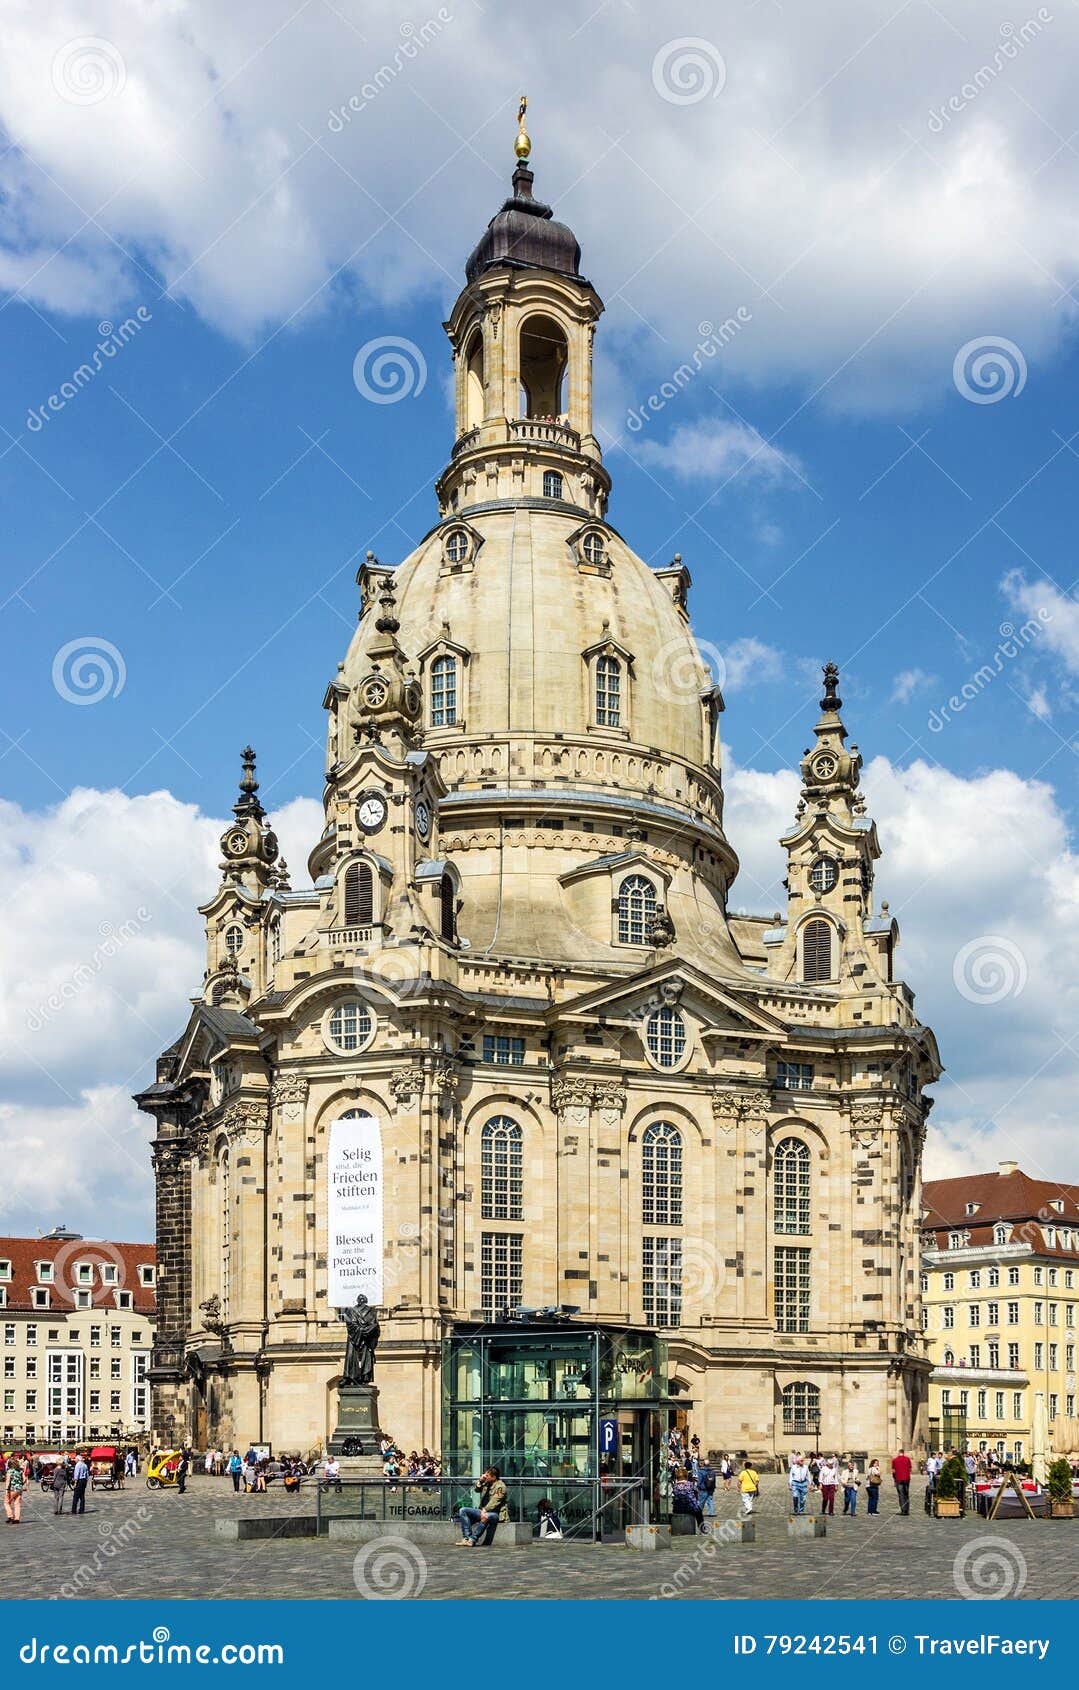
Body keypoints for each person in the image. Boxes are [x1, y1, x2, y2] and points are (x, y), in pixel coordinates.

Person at [456, 1466, 508, 1546]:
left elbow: (495, 1501)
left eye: (487, 1475)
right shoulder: (486, 1483)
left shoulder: (500, 1486)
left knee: (486, 1516)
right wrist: (480, 1481)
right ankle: (466, 1538)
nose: (485, 1476)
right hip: (483, 1510)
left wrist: (485, 1510)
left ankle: (473, 1539)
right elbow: (476, 1490)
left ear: (494, 1477)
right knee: (463, 1510)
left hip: (496, 1514)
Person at [4, 1459, 25, 1526]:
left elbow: (8, 1481)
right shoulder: (20, 1471)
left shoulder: (9, 1471)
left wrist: (6, 1489)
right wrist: (21, 1483)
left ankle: (10, 1516)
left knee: (6, 1502)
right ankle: (17, 1519)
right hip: (19, 1489)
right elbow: (24, 1479)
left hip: (12, 1489)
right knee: (17, 1504)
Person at [892, 1446, 912, 1515]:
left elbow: (893, 1471)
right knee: (906, 1494)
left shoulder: (895, 1460)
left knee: (901, 1495)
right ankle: (907, 1510)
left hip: (898, 1479)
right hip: (906, 1479)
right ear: (903, 1453)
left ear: (899, 1453)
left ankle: (903, 1510)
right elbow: (910, 1469)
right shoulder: (907, 1459)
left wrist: (894, 1479)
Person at [697, 1457, 717, 1522]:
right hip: (711, 1488)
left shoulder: (701, 1471)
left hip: (703, 1488)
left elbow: (699, 1481)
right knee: (710, 1500)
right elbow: (714, 1480)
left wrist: (698, 1487)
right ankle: (712, 1513)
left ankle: (698, 1512)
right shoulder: (713, 1471)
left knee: (701, 1501)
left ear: (703, 1464)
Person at [71, 1452, 89, 1517]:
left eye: (75, 1459)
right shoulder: (85, 1465)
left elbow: (76, 1474)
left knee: (75, 1496)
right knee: (82, 1496)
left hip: (79, 1480)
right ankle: (82, 1509)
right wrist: (86, 1481)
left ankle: (74, 1510)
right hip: (84, 1480)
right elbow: (87, 1474)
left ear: (78, 1459)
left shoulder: (78, 1465)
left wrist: (75, 1483)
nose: (75, 1460)